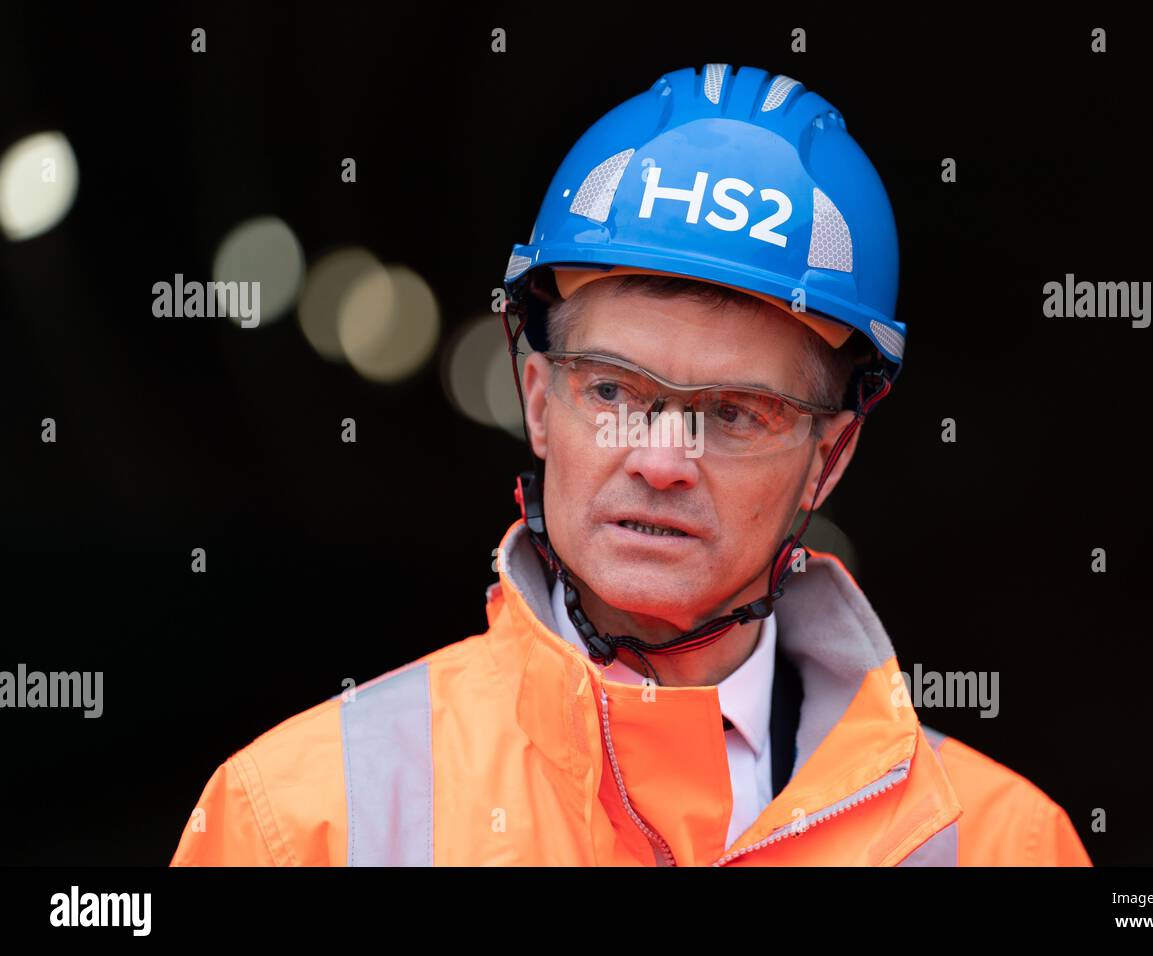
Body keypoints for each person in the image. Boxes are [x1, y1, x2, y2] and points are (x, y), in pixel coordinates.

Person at [171, 64, 1091, 866]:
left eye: (736, 413)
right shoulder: (301, 823)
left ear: (831, 457)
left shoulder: (1004, 845)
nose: (661, 461)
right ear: (537, 399)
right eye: (612, 391)